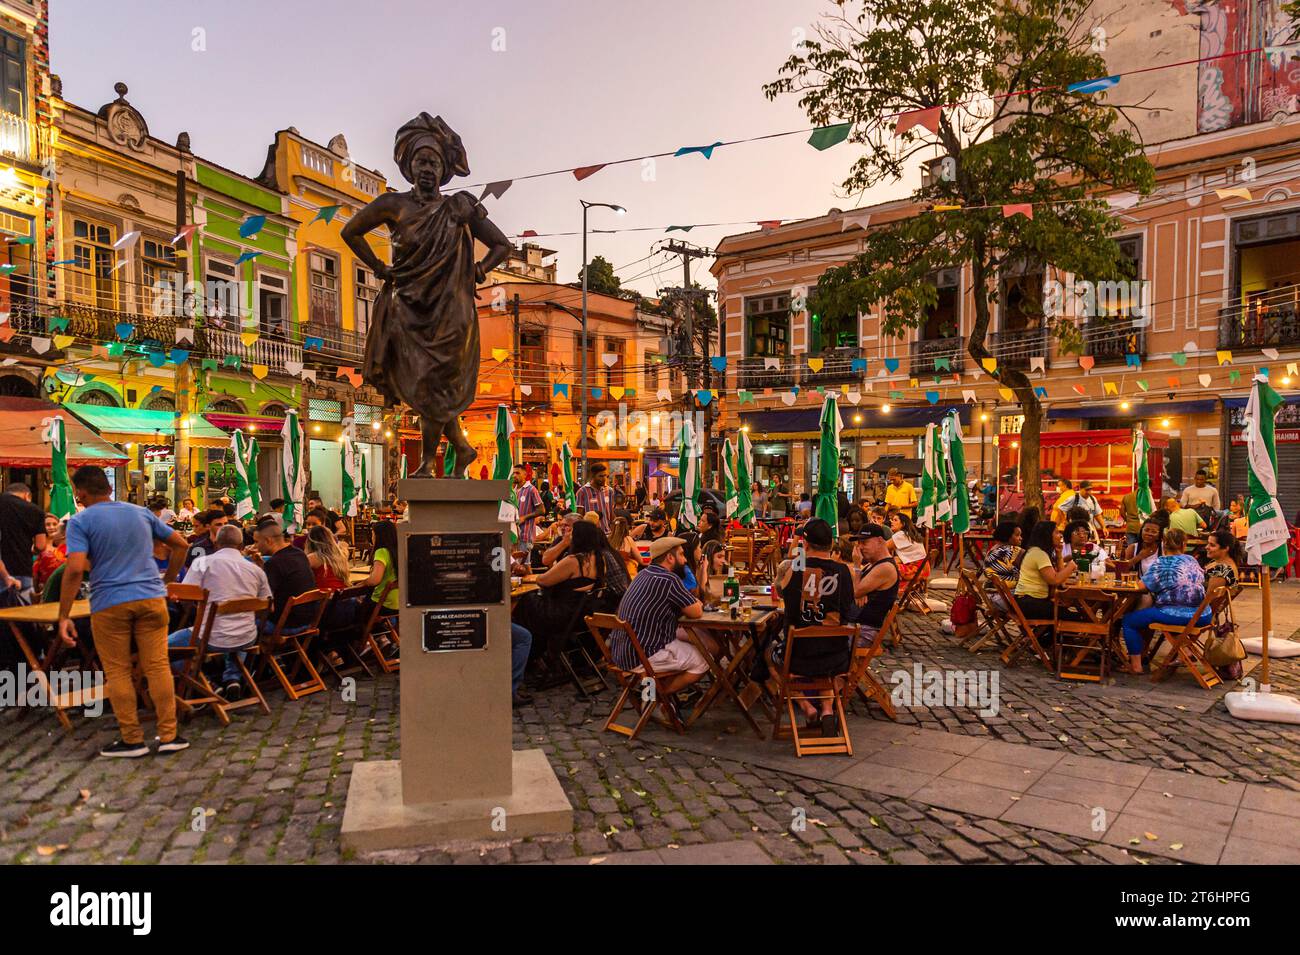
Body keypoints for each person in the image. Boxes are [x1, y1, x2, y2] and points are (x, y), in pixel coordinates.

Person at [57, 466, 190, 757]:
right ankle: (169, 735)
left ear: (80, 493)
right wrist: (166, 581)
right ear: (107, 487)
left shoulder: (81, 522)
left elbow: (76, 568)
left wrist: (64, 614)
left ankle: (132, 739)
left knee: (117, 671)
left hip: (110, 601)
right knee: (157, 666)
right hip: (151, 598)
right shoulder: (140, 512)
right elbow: (181, 544)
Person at [169, 524, 273, 700]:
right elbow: (269, 606)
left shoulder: (202, 563)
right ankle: (233, 678)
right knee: (234, 629)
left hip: (211, 637)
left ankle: (205, 684)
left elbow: (183, 594)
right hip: (247, 637)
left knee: (160, 648)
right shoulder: (256, 570)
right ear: (241, 545)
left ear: (216, 543)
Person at [772, 518, 854, 736]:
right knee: (825, 660)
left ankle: (807, 707)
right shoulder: (845, 572)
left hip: (798, 656)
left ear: (805, 544)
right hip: (837, 658)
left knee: (768, 654)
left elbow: (781, 592)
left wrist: (799, 554)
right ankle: (827, 709)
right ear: (831, 544)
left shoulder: (794, 571)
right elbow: (849, 608)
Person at [607, 536, 709, 697]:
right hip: (644, 654)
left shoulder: (642, 574)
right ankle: (656, 696)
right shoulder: (668, 579)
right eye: (681, 555)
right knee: (703, 660)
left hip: (621, 652)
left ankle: (652, 691)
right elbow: (696, 612)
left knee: (689, 643)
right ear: (670, 557)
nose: (684, 560)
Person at [1120, 528, 1210, 675]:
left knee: (1129, 621)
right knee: (1159, 614)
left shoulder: (1161, 563)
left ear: (1164, 543)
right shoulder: (1192, 560)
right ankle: (1186, 650)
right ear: (1183, 544)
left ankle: (1136, 665)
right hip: (1202, 615)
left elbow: (1141, 587)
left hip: (1175, 615)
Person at [254, 519, 319, 632]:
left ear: (268, 541)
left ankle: (261, 648)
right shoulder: (299, 554)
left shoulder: (274, 563)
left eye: (256, 542)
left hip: (285, 624)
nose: (255, 546)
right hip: (308, 620)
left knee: (242, 622)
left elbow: (267, 604)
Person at [1013, 520, 1078, 622]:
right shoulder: (1039, 554)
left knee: (1069, 611)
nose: (1060, 536)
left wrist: (1059, 555)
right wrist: (1072, 565)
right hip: (1030, 603)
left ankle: (1048, 637)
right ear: (1047, 535)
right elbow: (1055, 580)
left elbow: (1061, 580)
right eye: (1056, 532)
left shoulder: (1037, 551)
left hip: (1028, 601)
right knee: (1076, 616)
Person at [851, 523, 899, 644]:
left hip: (863, 631)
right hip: (855, 625)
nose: (860, 547)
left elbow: (855, 591)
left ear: (879, 541)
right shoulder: (872, 564)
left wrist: (857, 566)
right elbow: (855, 588)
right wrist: (862, 589)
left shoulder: (885, 567)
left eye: (864, 542)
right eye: (859, 543)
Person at [0, 482, 46, 596]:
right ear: (27, 496)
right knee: (22, 611)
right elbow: (41, 545)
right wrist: (33, 550)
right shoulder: (35, 511)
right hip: (22, 569)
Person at [358, 520, 401, 619]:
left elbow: (374, 580)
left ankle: (369, 632)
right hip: (400, 604)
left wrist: (363, 583)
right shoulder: (400, 550)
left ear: (380, 536)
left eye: (373, 534)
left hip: (383, 604)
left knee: (355, 606)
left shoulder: (382, 552)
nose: (372, 538)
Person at [982, 520, 1024, 599]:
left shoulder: (992, 550)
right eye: (1017, 535)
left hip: (991, 594)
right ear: (1007, 536)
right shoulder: (1013, 551)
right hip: (1008, 596)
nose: (1021, 538)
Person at [304, 525, 349, 592]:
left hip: (324, 597)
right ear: (330, 539)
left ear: (309, 541)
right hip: (341, 594)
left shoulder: (311, 558)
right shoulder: (340, 555)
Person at [32, 515, 67, 598]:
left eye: (55, 524)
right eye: (47, 524)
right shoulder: (35, 548)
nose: (51, 527)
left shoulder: (64, 550)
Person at [888, 511, 928, 581]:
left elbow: (883, 548)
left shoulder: (901, 534)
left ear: (903, 524)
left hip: (915, 571)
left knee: (886, 567)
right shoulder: (910, 534)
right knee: (892, 561)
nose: (891, 522)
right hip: (923, 569)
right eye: (892, 520)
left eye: (895, 520)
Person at [576, 463, 615, 532]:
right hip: (590, 533)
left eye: (605, 476)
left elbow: (611, 513)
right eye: (600, 476)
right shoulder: (582, 491)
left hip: (607, 532)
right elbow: (579, 516)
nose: (604, 479)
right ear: (593, 476)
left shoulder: (609, 491)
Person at [512, 465, 544, 546]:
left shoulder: (531, 489)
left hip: (526, 535)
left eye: (517, 473)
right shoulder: (513, 491)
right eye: (513, 473)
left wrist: (524, 517)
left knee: (523, 558)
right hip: (514, 534)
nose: (514, 475)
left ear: (525, 475)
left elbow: (541, 510)